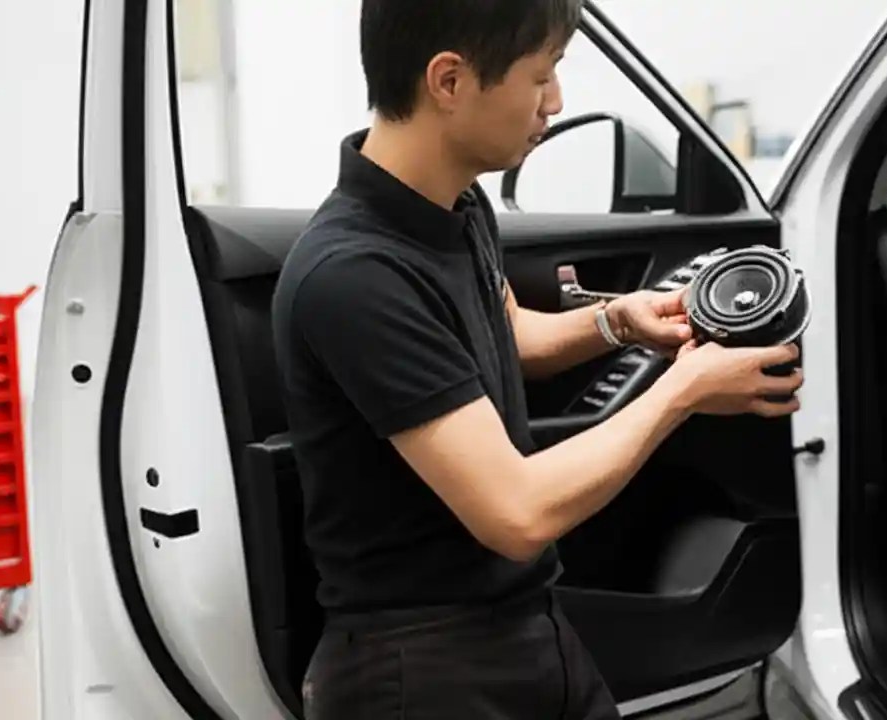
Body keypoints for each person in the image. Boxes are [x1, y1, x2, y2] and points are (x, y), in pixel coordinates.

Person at [270, 1, 804, 717]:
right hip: (420, 667)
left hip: (527, 623)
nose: (556, 101)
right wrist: (683, 392)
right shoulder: (354, 275)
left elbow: (506, 337)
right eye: (541, 76)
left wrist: (618, 322)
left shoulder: (457, 207)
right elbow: (515, 513)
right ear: (450, 81)